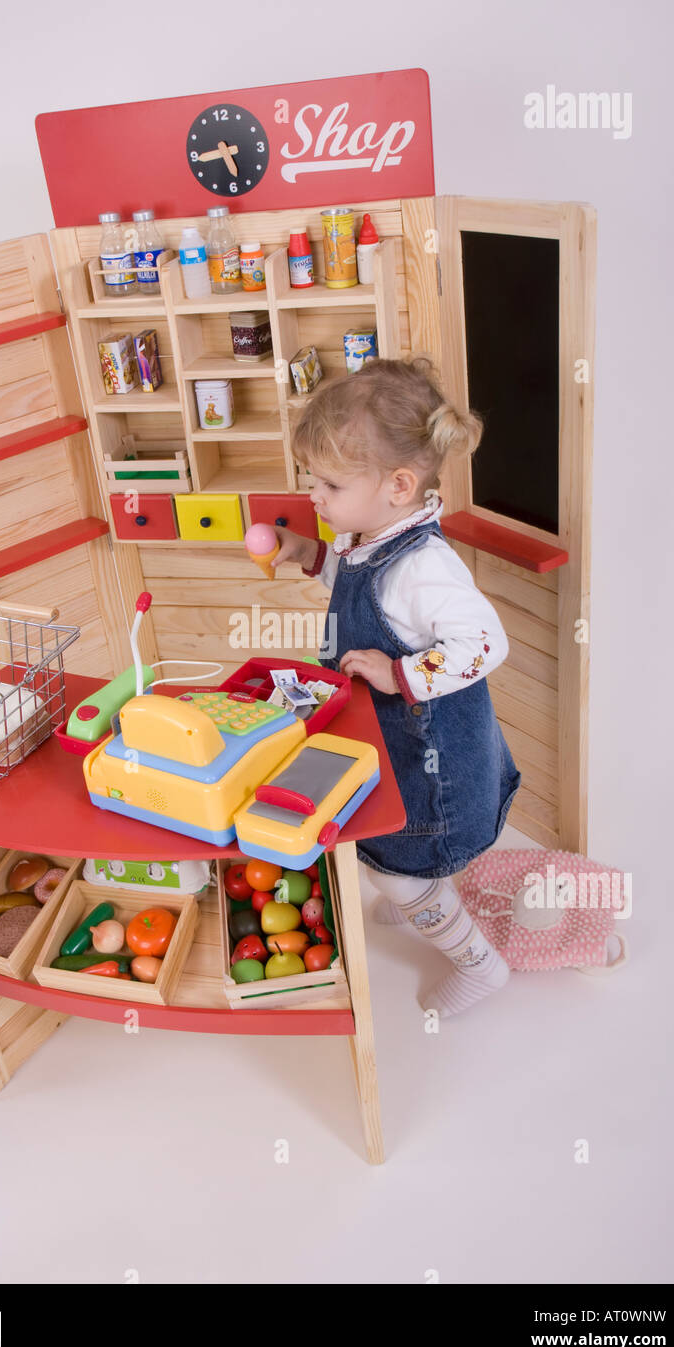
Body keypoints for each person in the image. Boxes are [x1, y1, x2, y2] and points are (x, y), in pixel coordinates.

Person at [271, 356, 521, 1018]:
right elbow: (359, 583)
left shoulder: (425, 568)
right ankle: (413, 894)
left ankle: (478, 964)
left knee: (396, 864)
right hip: (394, 752)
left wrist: (398, 673)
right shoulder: (372, 533)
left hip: (430, 773)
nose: (315, 497)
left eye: (327, 483)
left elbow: (486, 644)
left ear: (399, 485)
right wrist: (311, 554)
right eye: (311, 480)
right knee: (386, 848)